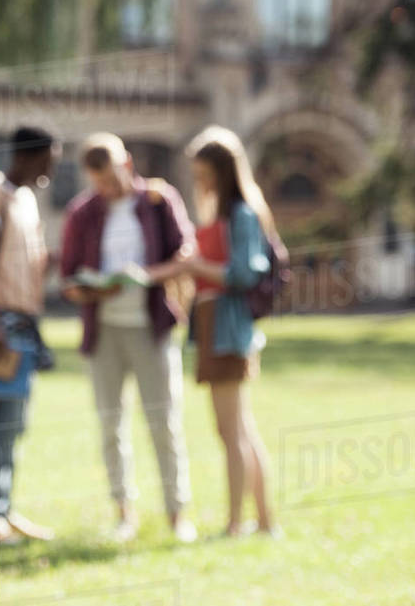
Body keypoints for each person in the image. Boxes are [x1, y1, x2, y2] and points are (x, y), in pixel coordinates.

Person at [59, 132, 197, 543]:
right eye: (98, 182)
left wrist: (146, 276)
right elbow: (68, 280)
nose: (107, 188)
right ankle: (124, 513)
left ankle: (178, 513)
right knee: (110, 423)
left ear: (127, 164)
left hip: (150, 326)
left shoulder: (158, 200)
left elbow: (186, 255)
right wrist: (91, 288)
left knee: (163, 421)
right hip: (104, 330)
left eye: (112, 177)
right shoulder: (81, 212)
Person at [148, 126, 281, 538]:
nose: (199, 181)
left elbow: (244, 272)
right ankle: (263, 520)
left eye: (204, 173)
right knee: (240, 429)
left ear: (222, 172)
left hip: (229, 329)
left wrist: (194, 266)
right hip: (213, 328)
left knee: (231, 432)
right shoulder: (222, 214)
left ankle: (237, 523)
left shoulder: (241, 213)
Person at [0, 126, 59, 544]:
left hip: (23, 324)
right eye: (48, 159)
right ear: (28, 156)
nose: (52, 169)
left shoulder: (26, 199)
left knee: (12, 424)